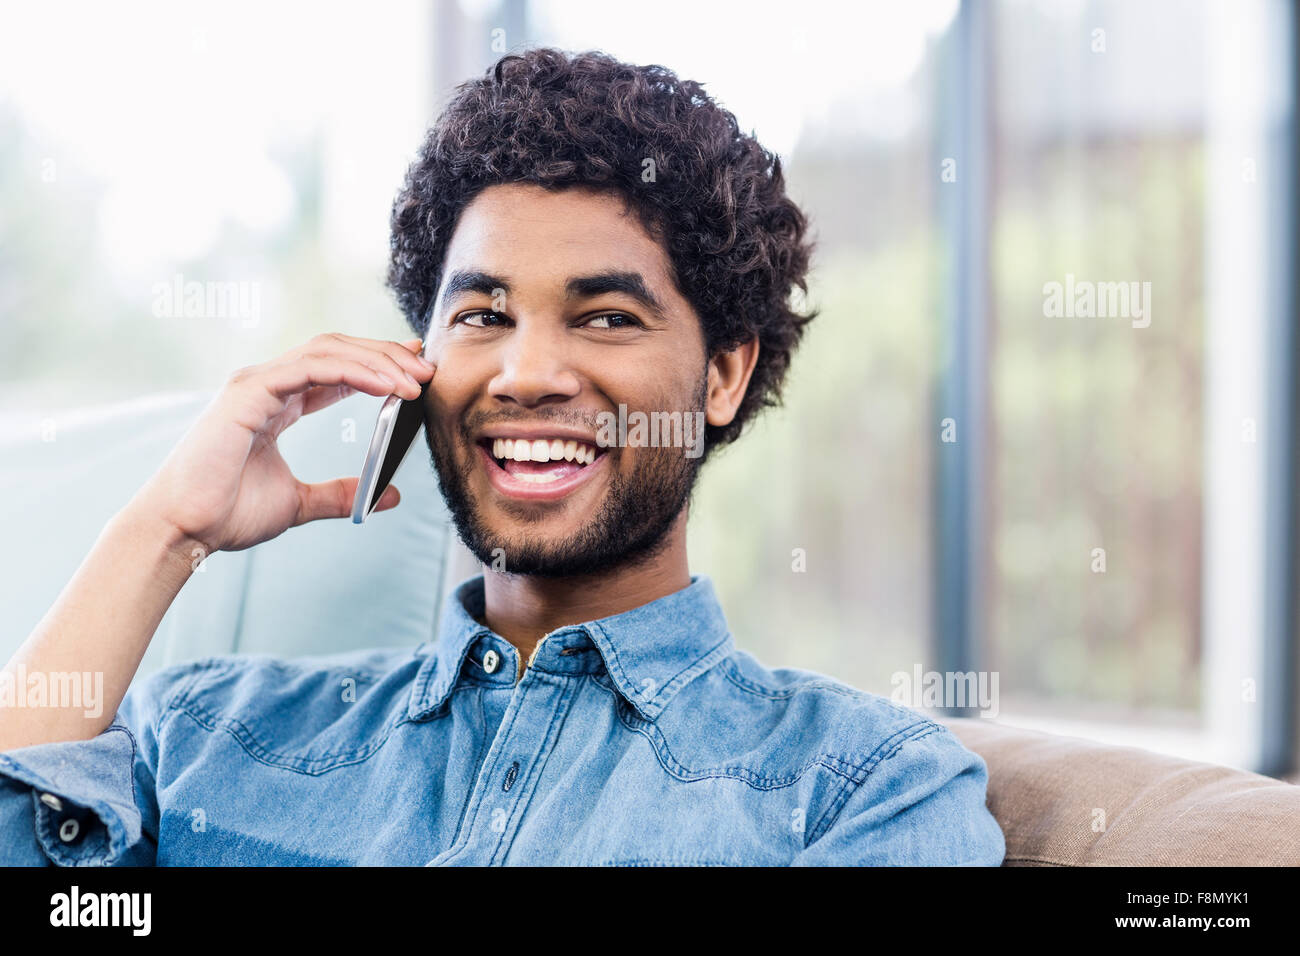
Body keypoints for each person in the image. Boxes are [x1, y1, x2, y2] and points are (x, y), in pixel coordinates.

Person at [0, 47, 1005, 865]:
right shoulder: (206, 736)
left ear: (722, 375)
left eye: (606, 315)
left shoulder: (866, 788)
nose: (525, 372)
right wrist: (162, 530)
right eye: (482, 312)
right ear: (419, 359)